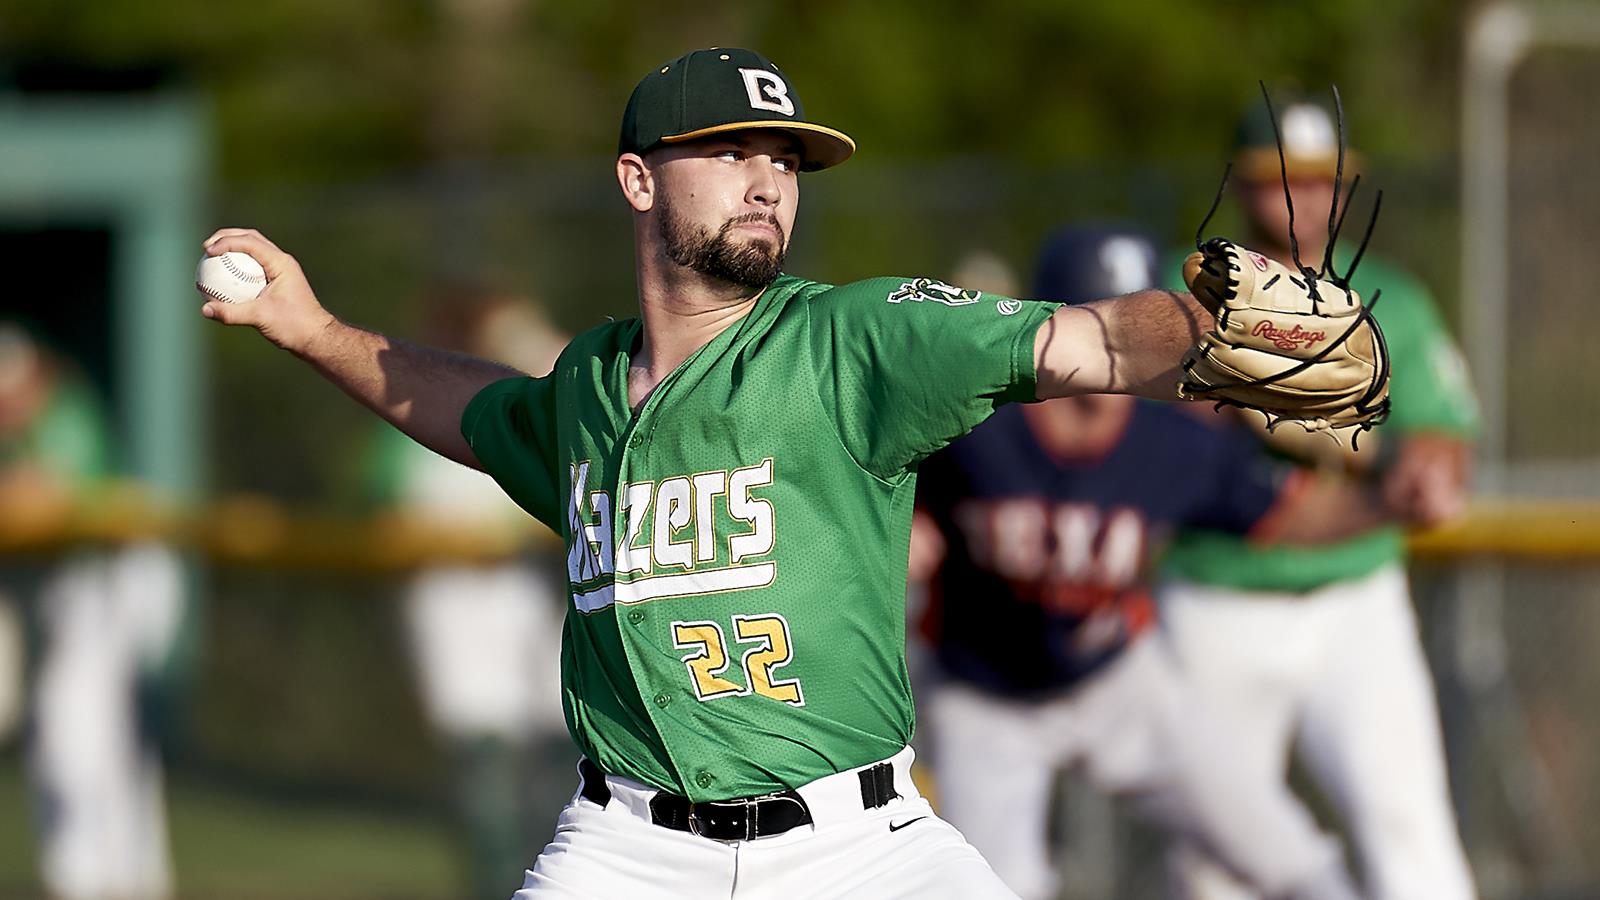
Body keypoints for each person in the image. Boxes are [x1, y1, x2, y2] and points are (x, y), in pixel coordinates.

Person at [195, 49, 1381, 899]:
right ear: (637, 179)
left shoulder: (857, 342)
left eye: (787, 159)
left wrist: (1202, 321)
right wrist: (313, 331)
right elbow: (472, 407)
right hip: (626, 851)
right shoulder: (588, 389)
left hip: (860, 847)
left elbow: (1091, 340)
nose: (767, 177)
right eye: (728, 151)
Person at [913, 225, 1421, 900]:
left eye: (1141, 317)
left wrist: (1389, 500)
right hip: (985, 697)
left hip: (1119, 678)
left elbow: (1284, 513)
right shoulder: (972, 423)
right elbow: (876, 489)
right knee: (992, 889)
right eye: (1102, 316)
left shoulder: (1173, 439)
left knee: (1285, 851)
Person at [1158, 96, 1479, 900]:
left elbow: (1443, 431)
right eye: (1279, 180)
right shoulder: (1187, 280)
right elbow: (1174, 403)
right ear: (1242, 188)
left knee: (1407, 830)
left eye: (1317, 177)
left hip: (1354, 598)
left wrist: (1425, 468)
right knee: (1217, 860)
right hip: (1216, 596)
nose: (1301, 196)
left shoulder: (1392, 297)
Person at [364, 286, 570, 898]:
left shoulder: (525, 406)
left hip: (522, 591)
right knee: (483, 747)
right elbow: (387, 515)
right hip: (448, 598)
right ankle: (498, 883)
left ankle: (548, 871)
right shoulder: (413, 412)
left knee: (559, 739)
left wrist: (527, 340)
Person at [0, 321, 182, 900]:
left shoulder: (64, 413)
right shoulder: (20, 431)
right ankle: (112, 878)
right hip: (77, 581)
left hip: (122, 573)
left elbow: (40, 498)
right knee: (92, 741)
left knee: (83, 736)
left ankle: (104, 877)